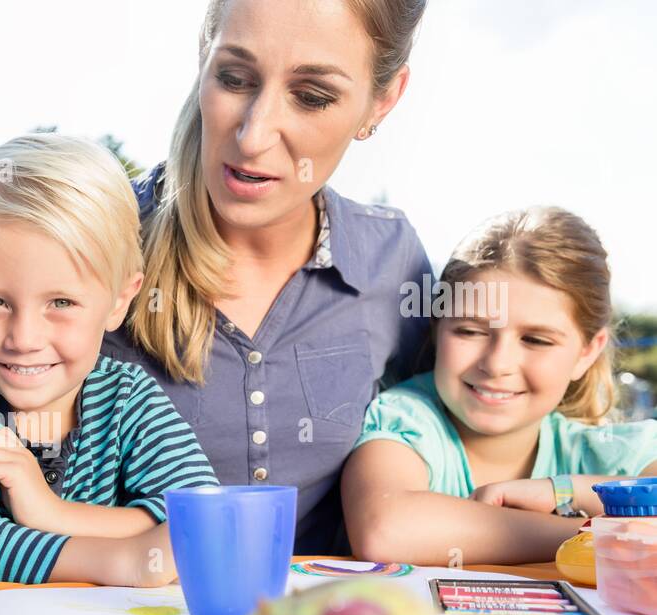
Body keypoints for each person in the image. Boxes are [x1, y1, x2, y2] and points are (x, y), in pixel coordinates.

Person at [101, 0, 430, 553]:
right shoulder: (95, 240)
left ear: (383, 100)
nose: (253, 137)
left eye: (312, 96)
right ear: (204, 51)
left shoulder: (394, 262)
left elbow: (462, 449)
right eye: (233, 78)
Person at [0, 134, 219, 586]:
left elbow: (201, 516)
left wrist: (50, 512)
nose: (25, 338)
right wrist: (124, 558)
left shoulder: (128, 397)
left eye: (61, 303)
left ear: (119, 302)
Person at [343, 207, 657, 566]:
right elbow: (386, 531)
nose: (496, 364)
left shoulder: (601, 451)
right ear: (437, 328)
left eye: (536, 340)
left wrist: (564, 491)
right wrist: (603, 534)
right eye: (470, 331)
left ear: (586, 353)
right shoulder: (408, 419)